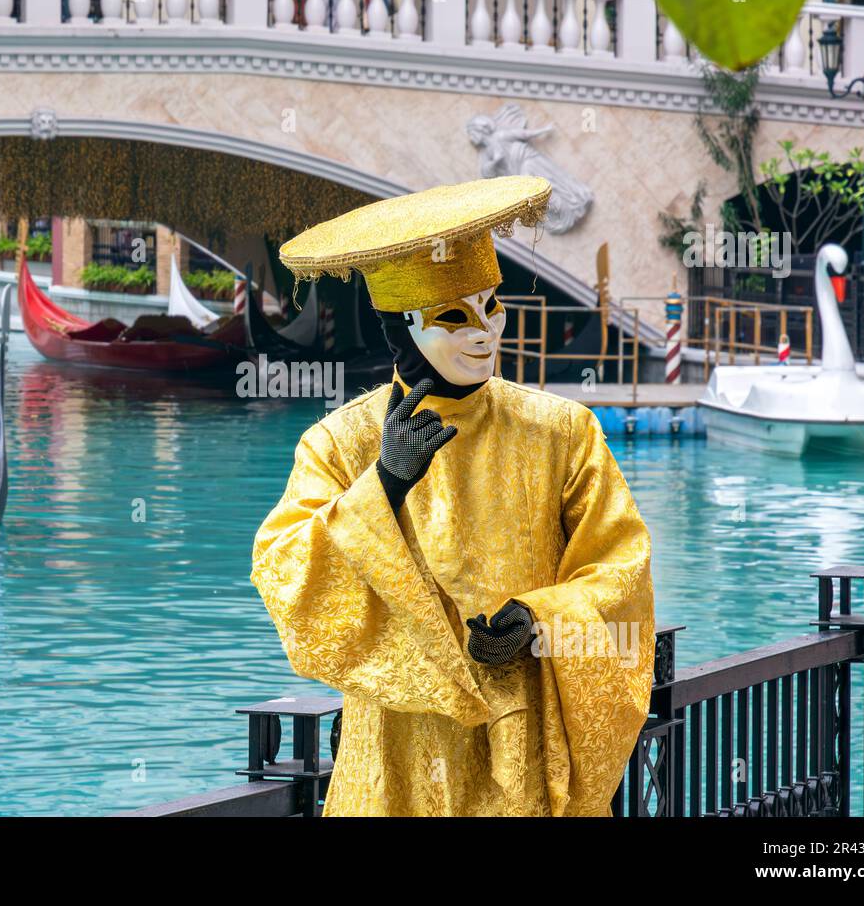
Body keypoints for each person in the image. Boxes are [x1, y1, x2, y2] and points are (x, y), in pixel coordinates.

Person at [251, 175, 655, 816]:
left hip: (523, 741)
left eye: (492, 305)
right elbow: (285, 572)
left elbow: (620, 571)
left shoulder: (562, 432)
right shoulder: (339, 443)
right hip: (395, 753)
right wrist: (382, 483)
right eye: (453, 317)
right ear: (399, 330)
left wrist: (539, 623)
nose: (484, 332)